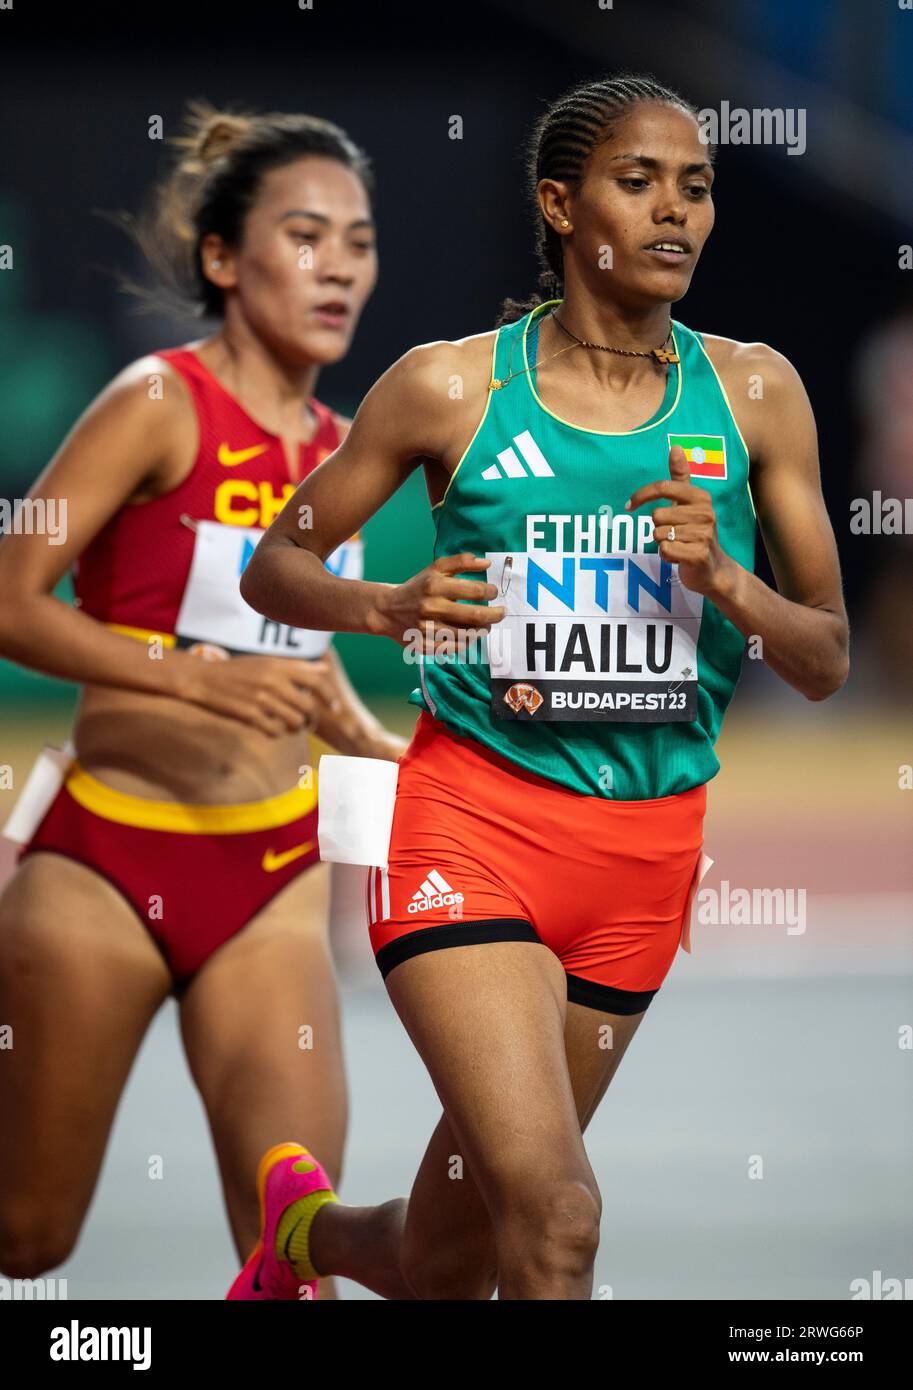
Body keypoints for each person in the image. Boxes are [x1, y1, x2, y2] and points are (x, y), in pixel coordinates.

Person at [231, 74, 850, 1301]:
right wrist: (386, 605)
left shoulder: (758, 393)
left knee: (454, 1254)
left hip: (643, 865)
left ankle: (304, 1242)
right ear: (561, 205)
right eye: (640, 182)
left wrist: (725, 576)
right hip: (473, 828)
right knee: (560, 1217)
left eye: (698, 186)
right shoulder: (449, 387)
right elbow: (273, 563)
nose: (675, 211)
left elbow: (825, 656)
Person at [0, 104, 404, 1300]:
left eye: (361, 241)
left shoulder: (343, 453)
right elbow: (14, 599)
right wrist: (196, 678)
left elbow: (293, 650)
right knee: (29, 1239)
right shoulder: (156, 402)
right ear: (224, 260)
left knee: (297, 1247)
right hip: (104, 868)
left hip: (271, 883)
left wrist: (381, 748)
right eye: (305, 234)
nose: (338, 265)